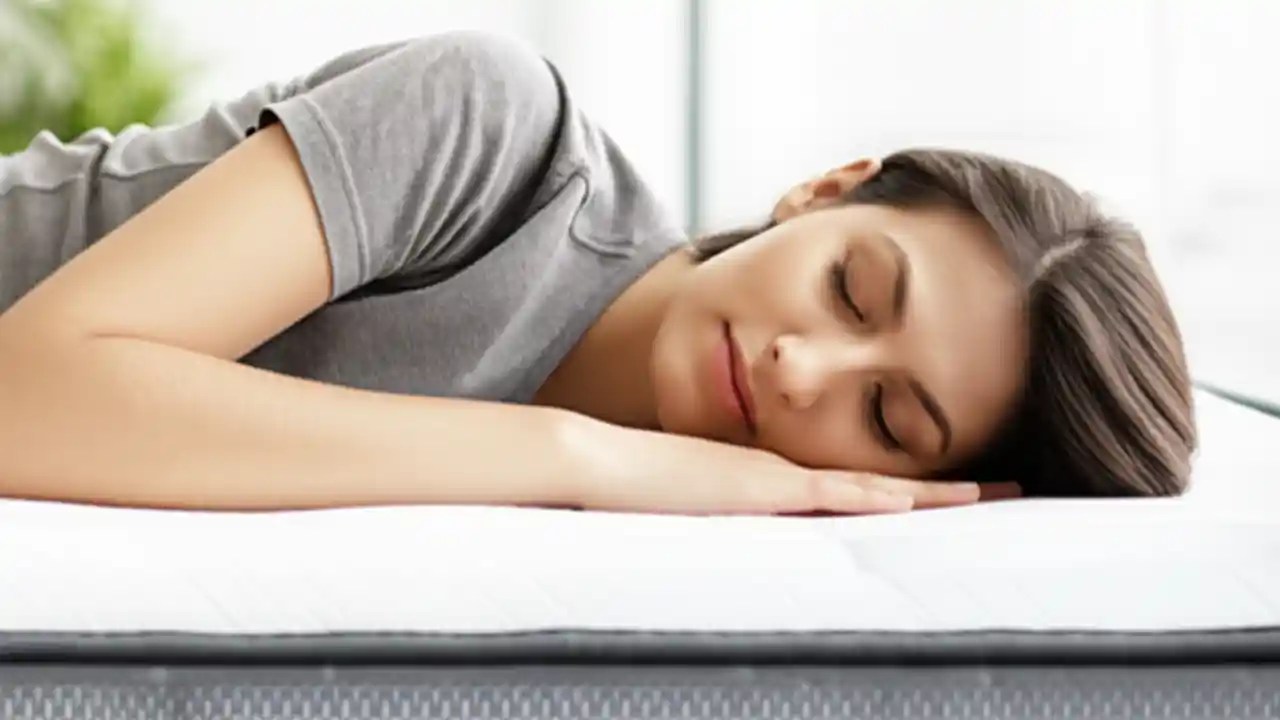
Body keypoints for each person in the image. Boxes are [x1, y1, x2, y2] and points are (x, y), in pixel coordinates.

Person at [0, 31, 1195, 515]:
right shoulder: (497, 130)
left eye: (885, 415)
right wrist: (572, 455)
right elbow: (27, 395)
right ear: (822, 193)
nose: (799, 366)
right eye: (849, 289)